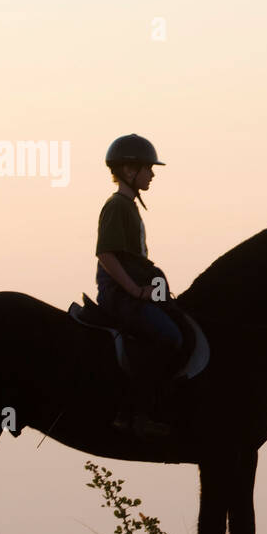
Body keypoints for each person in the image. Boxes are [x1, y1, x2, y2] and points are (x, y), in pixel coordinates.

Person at [95, 134, 183, 437]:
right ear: (129, 171)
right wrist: (134, 291)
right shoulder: (117, 206)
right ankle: (137, 412)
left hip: (132, 291)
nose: (152, 174)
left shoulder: (129, 207)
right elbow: (106, 254)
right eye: (148, 168)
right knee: (169, 336)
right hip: (119, 294)